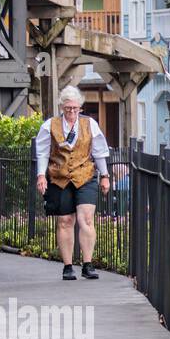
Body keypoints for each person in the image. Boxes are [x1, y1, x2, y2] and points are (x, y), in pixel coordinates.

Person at [35, 85, 110, 281]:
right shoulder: (49, 125)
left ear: (80, 108)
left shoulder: (89, 124)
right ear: (62, 107)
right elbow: (42, 152)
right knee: (65, 221)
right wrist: (41, 176)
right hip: (59, 178)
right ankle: (68, 266)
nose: (72, 112)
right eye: (68, 108)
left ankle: (87, 264)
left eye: (75, 109)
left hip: (85, 176)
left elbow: (99, 151)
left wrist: (105, 175)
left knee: (86, 219)